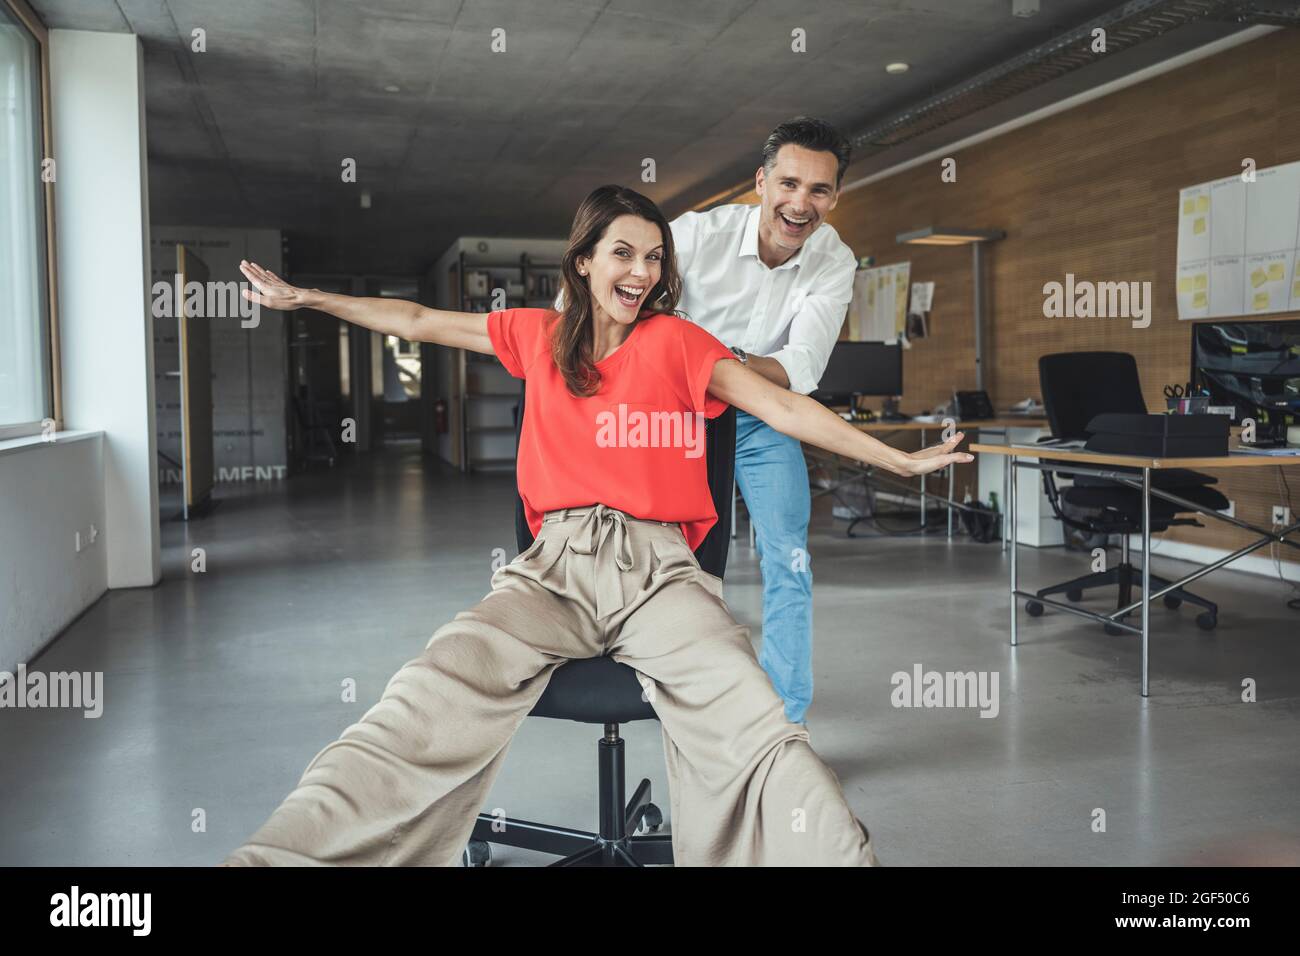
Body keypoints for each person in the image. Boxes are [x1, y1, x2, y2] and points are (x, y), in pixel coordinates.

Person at [221, 184, 971, 867]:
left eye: (653, 257)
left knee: (760, 730)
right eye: (622, 253)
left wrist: (897, 462)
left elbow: (782, 406)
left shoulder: (679, 343)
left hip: (663, 574)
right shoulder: (540, 338)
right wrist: (311, 299)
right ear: (582, 262)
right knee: (425, 696)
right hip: (551, 572)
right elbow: (417, 319)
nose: (641, 272)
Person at [670, 117, 859, 726]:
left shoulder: (834, 261)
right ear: (760, 182)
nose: (800, 204)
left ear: (836, 197)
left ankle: (784, 724)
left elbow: (802, 363)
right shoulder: (696, 236)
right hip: (680, 415)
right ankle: (686, 705)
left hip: (760, 416)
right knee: (678, 561)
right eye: (789, 183)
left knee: (788, 556)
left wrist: (721, 364)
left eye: (820, 190)